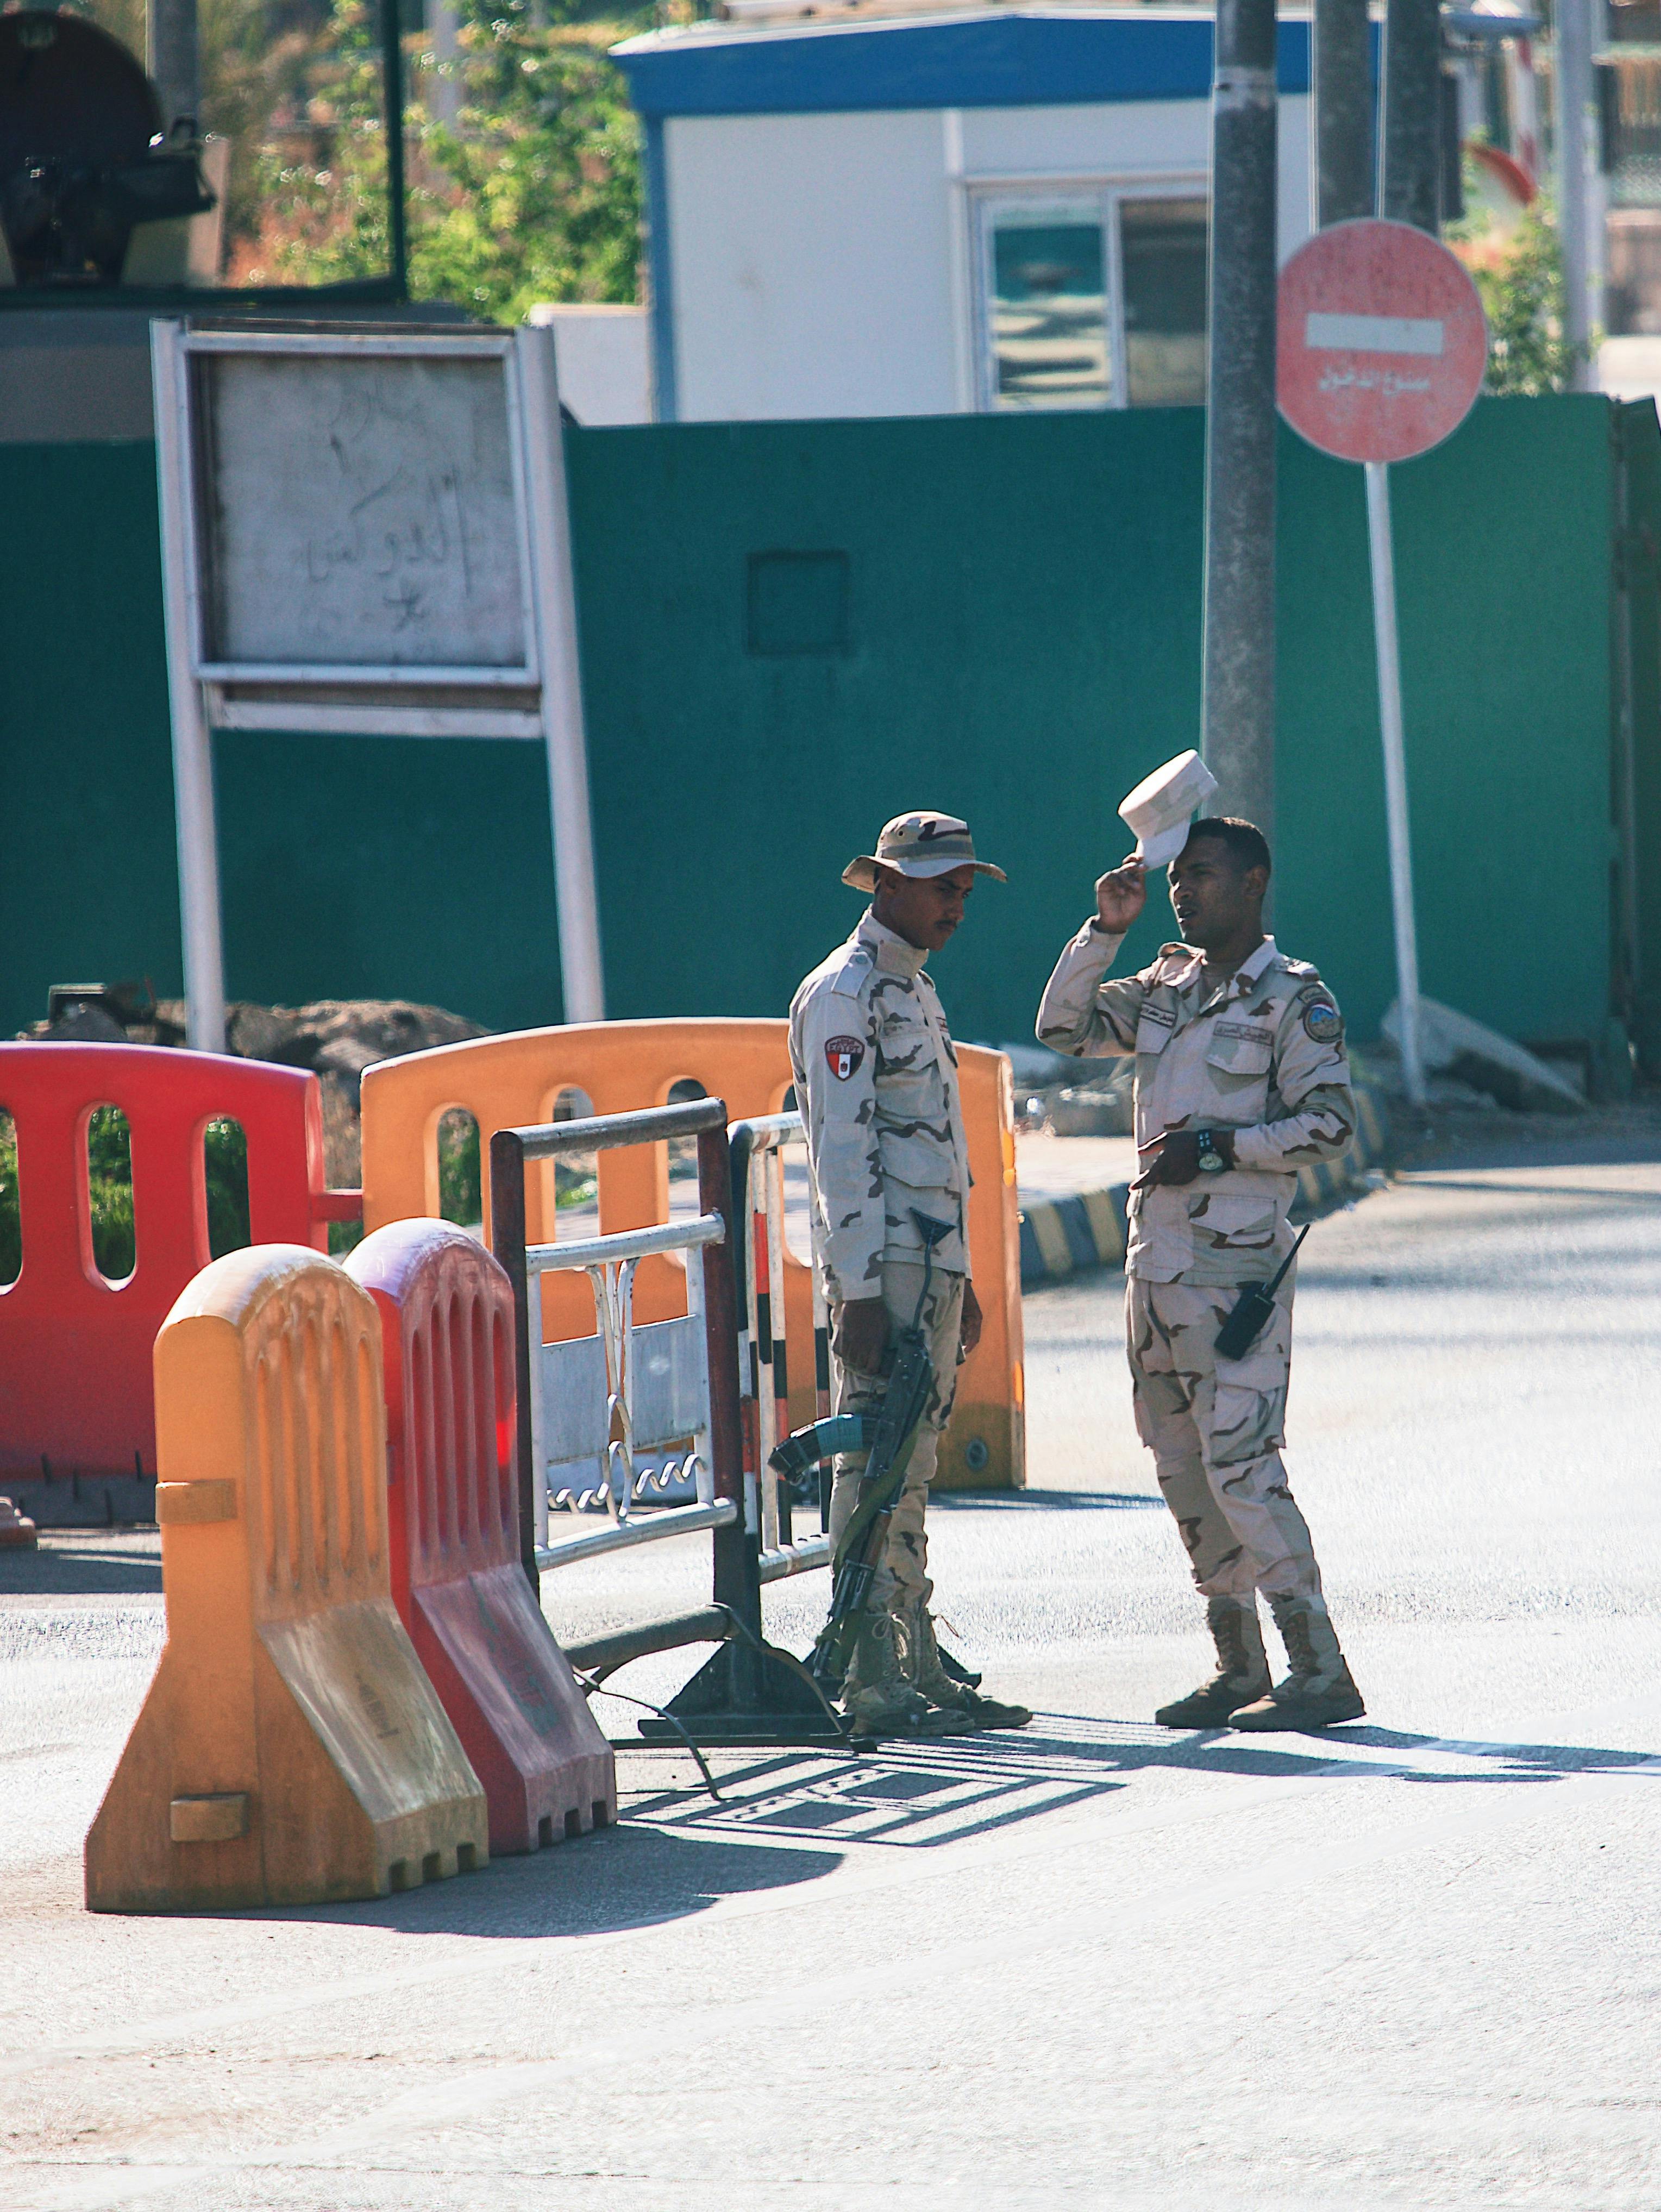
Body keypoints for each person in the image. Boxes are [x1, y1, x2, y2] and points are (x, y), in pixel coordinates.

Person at [1035, 816, 1365, 1730]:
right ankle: (1238, 1666)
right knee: (1181, 1465)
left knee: (1243, 1464)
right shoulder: (1162, 986)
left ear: (1255, 882)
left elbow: (1331, 1123)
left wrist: (1219, 1148)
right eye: (1178, 878)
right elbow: (1062, 1026)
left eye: (1204, 876)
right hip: (1158, 1269)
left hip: (1234, 1275)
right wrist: (1104, 928)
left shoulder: (1294, 1000)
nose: (1184, 891)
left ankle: (1319, 1667)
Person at [789, 811, 1032, 1739]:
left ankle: (916, 1659)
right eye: (941, 888)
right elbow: (842, 1152)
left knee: (914, 1464)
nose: (955, 906)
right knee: (871, 1458)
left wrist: (960, 1273)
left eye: (964, 889)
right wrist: (856, 1289)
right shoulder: (843, 995)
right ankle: (870, 1673)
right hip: (880, 1263)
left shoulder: (915, 993)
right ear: (885, 885)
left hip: (927, 1259)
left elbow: (937, 1147)